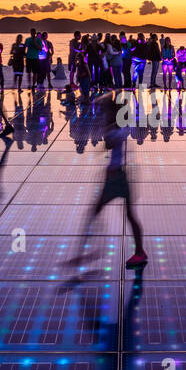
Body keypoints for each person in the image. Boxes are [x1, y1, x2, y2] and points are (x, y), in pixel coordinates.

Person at [71, 92, 148, 270]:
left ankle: (83, 252)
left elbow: (109, 143)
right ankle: (139, 252)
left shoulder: (118, 129)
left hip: (116, 177)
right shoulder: (120, 126)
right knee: (126, 215)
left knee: (96, 213)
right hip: (118, 176)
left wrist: (105, 111)